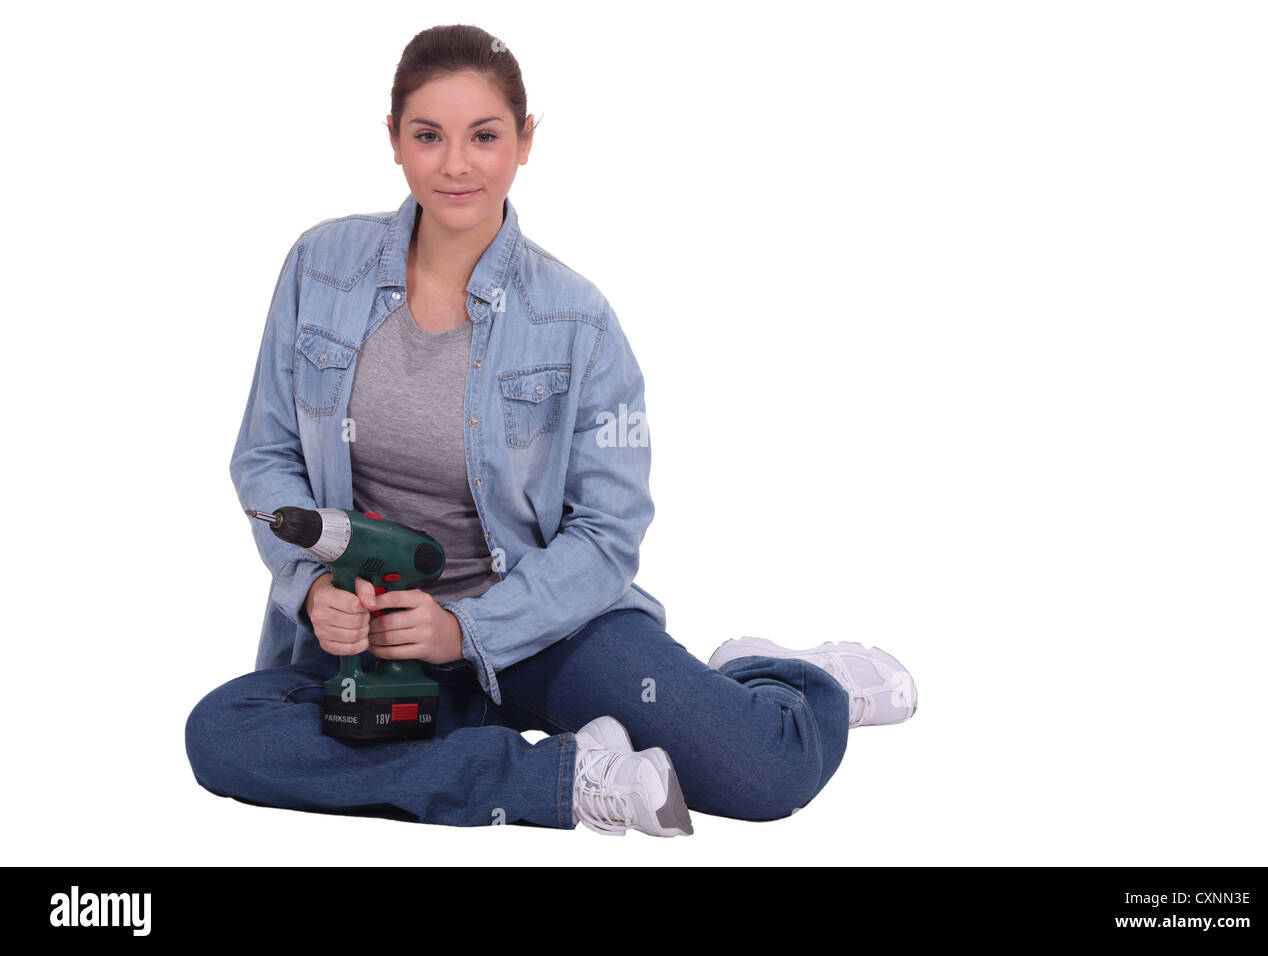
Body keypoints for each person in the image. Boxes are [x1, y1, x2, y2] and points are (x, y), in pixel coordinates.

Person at [184, 23, 918, 838]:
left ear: (525, 142)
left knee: (765, 771)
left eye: (484, 136)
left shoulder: (576, 319)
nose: (456, 164)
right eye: (428, 136)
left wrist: (467, 629)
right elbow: (266, 455)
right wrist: (313, 589)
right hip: (372, 637)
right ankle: (567, 778)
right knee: (222, 735)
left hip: (542, 626)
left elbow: (609, 533)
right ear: (393, 140)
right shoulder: (321, 268)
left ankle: (775, 679)